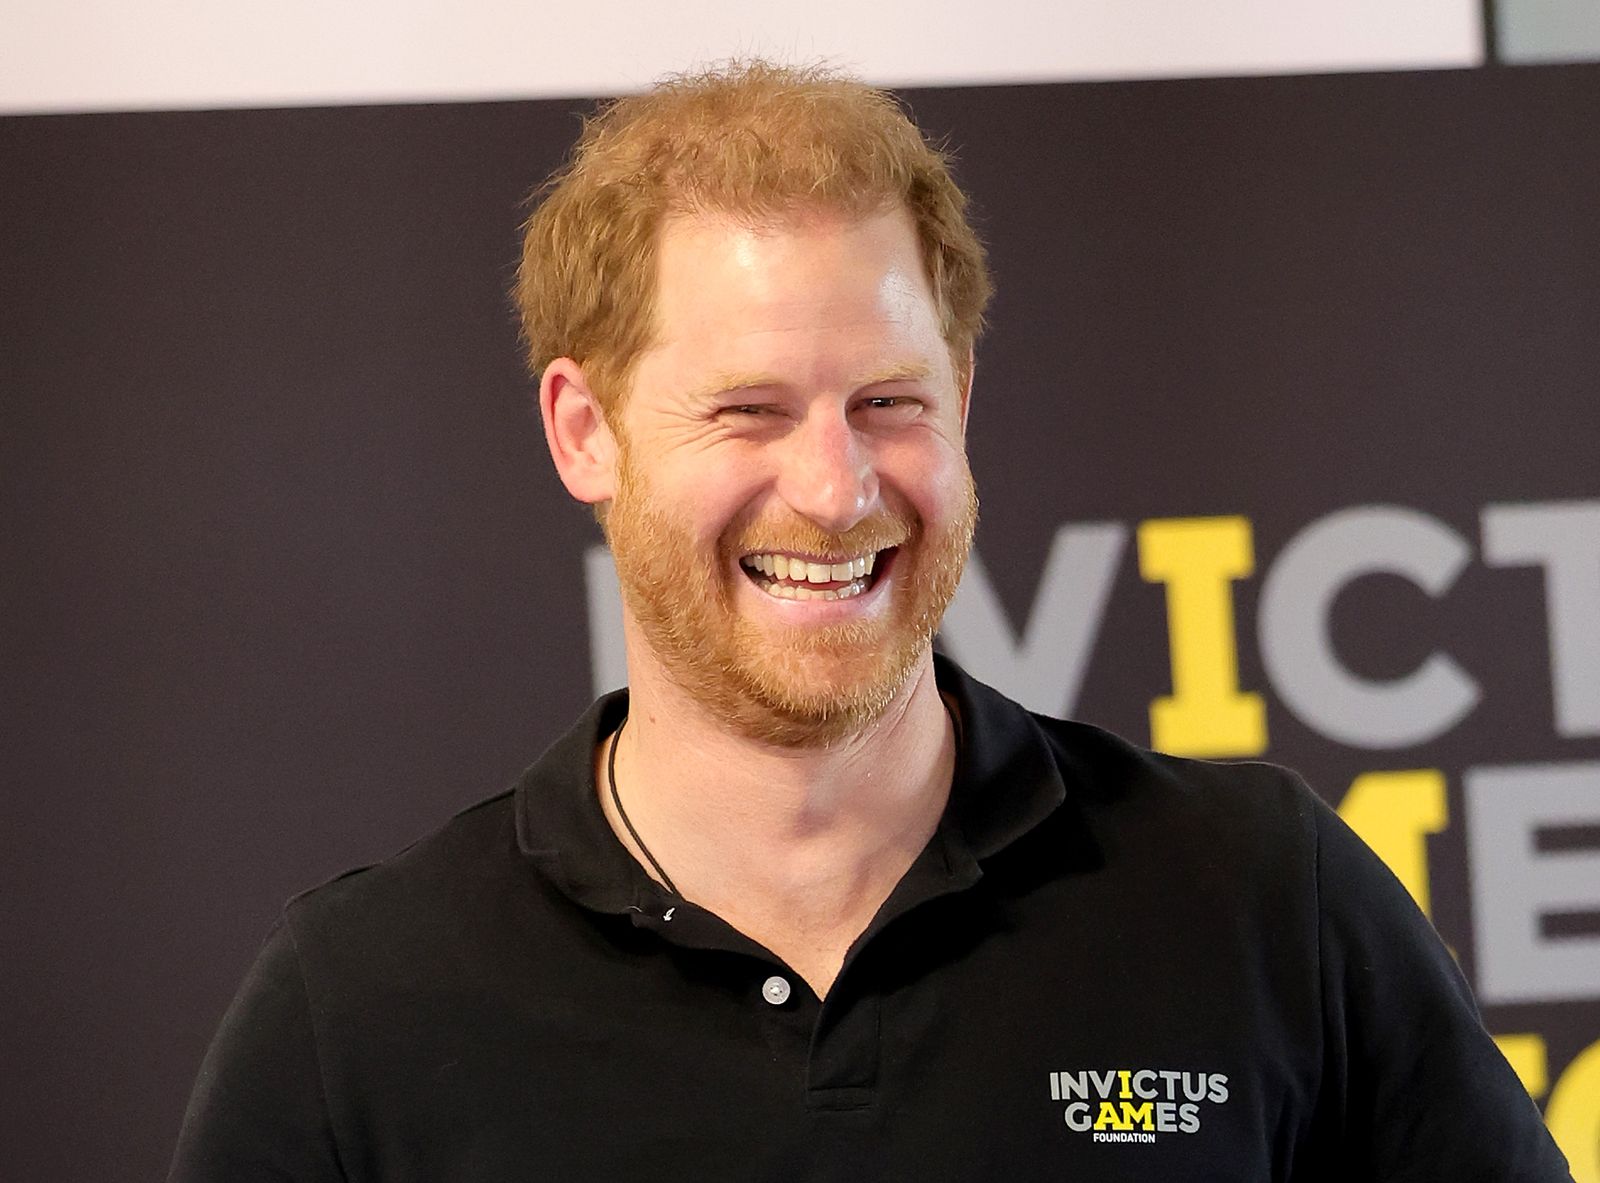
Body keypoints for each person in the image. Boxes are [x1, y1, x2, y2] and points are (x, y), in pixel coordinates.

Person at [169, 61, 1572, 1181]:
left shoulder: (1268, 900)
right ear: (585, 431)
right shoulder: (357, 1010)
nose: (836, 490)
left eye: (888, 402)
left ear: (960, 399)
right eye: (750, 411)